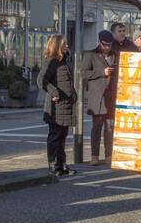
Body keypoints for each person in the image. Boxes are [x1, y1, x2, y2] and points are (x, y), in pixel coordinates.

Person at [81, 30, 119, 164]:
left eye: (110, 45)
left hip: (111, 97)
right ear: (99, 42)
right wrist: (101, 72)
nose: (107, 48)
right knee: (97, 127)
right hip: (97, 97)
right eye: (105, 45)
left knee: (109, 127)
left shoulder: (115, 54)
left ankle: (108, 155)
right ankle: (94, 156)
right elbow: (84, 73)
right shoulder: (91, 55)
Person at [40, 35, 76, 177]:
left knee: (62, 137)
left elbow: (67, 80)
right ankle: (53, 165)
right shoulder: (52, 61)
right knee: (55, 136)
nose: (67, 46)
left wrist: (73, 94)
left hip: (66, 105)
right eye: (64, 44)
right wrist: (54, 92)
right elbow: (41, 79)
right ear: (57, 46)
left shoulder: (64, 61)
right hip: (56, 106)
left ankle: (62, 165)